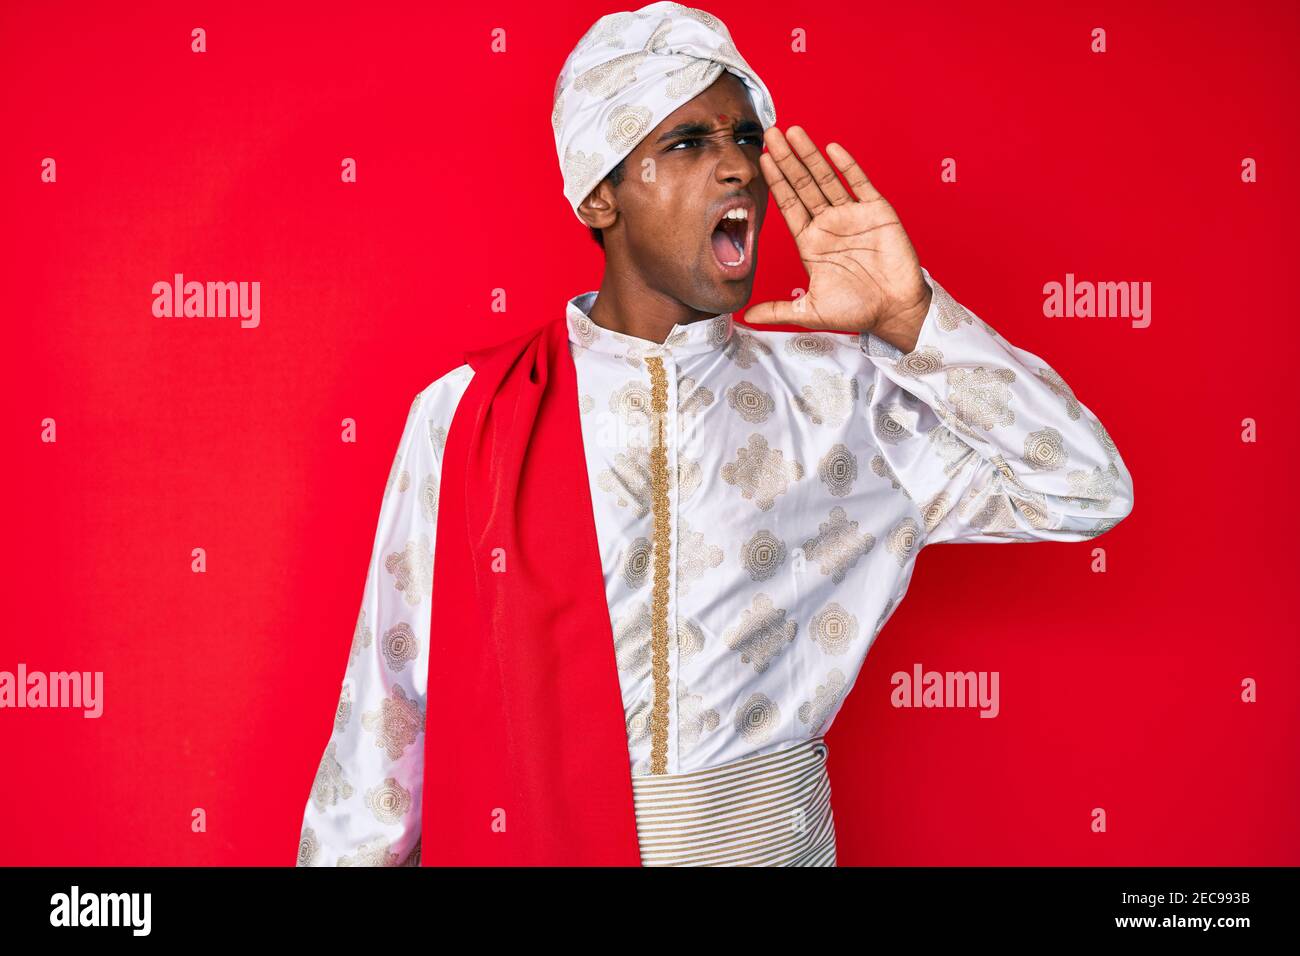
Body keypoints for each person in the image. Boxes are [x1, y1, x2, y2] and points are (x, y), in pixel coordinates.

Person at [296, 0, 1134, 868]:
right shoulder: (470, 412)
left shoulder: (842, 393)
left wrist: (913, 320)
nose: (736, 166)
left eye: (743, 138)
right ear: (599, 193)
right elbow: (388, 708)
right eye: (688, 143)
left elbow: (1087, 487)